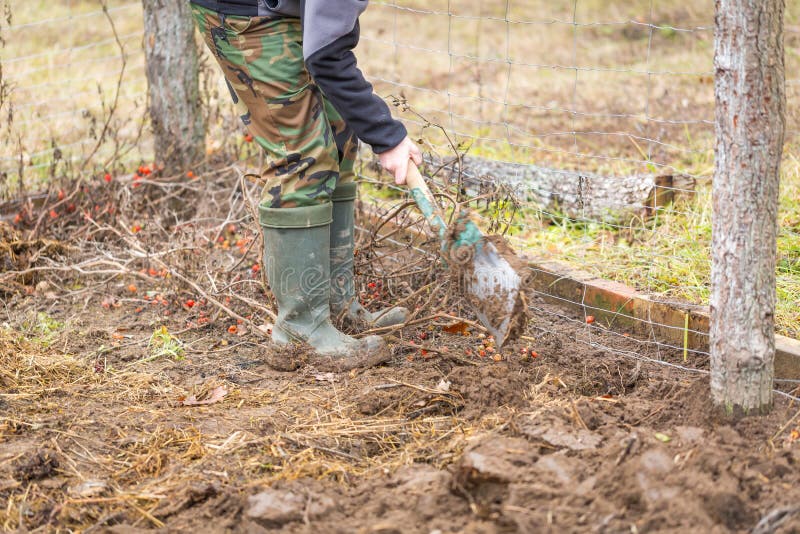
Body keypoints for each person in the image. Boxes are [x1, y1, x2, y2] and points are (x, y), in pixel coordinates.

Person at [188, 0, 423, 367]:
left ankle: (335, 306)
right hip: (245, 17)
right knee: (302, 158)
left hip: (279, 12)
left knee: (339, 134)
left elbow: (329, 40)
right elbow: (326, 55)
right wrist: (388, 137)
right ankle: (300, 329)